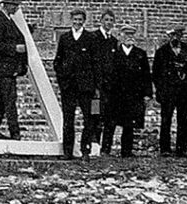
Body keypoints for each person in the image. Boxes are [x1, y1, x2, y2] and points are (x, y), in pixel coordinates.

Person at [53, 9, 100, 160]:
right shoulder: (65, 38)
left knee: (89, 118)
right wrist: (63, 80)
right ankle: (67, 151)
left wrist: (95, 86)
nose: (78, 22)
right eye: (75, 19)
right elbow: (57, 61)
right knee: (68, 120)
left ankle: (85, 150)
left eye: (80, 20)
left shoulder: (91, 38)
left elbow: (96, 64)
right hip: (69, 87)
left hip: (86, 87)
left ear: (84, 21)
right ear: (71, 20)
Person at [103, 24, 153, 158]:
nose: (129, 37)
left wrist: (147, 94)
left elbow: (146, 76)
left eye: (131, 35)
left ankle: (126, 151)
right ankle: (105, 150)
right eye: (126, 35)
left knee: (129, 124)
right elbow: (107, 75)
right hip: (116, 95)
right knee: (110, 123)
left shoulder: (140, 54)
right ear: (121, 36)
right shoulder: (113, 53)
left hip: (133, 95)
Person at [0, 0, 28, 139]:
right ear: (8, 5)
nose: (17, 8)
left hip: (9, 68)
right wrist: (14, 48)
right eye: (15, 5)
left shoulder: (8, 20)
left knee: (2, 99)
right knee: (10, 99)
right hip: (4, 68)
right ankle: (15, 132)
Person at [151, 26, 187, 157]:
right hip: (167, 92)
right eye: (172, 35)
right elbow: (156, 73)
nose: (175, 38)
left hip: (183, 91)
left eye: (178, 35)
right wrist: (160, 90)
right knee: (165, 119)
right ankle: (165, 148)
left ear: (181, 36)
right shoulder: (162, 51)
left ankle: (181, 148)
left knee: (182, 120)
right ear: (169, 37)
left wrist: (185, 70)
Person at [89, 11, 118, 154]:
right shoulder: (93, 38)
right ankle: (94, 147)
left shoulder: (113, 41)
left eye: (111, 20)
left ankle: (106, 149)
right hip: (97, 88)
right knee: (95, 116)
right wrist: (95, 86)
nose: (109, 22)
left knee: (110, 118)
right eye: (106, 19)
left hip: (110, 88)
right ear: (101, 21)